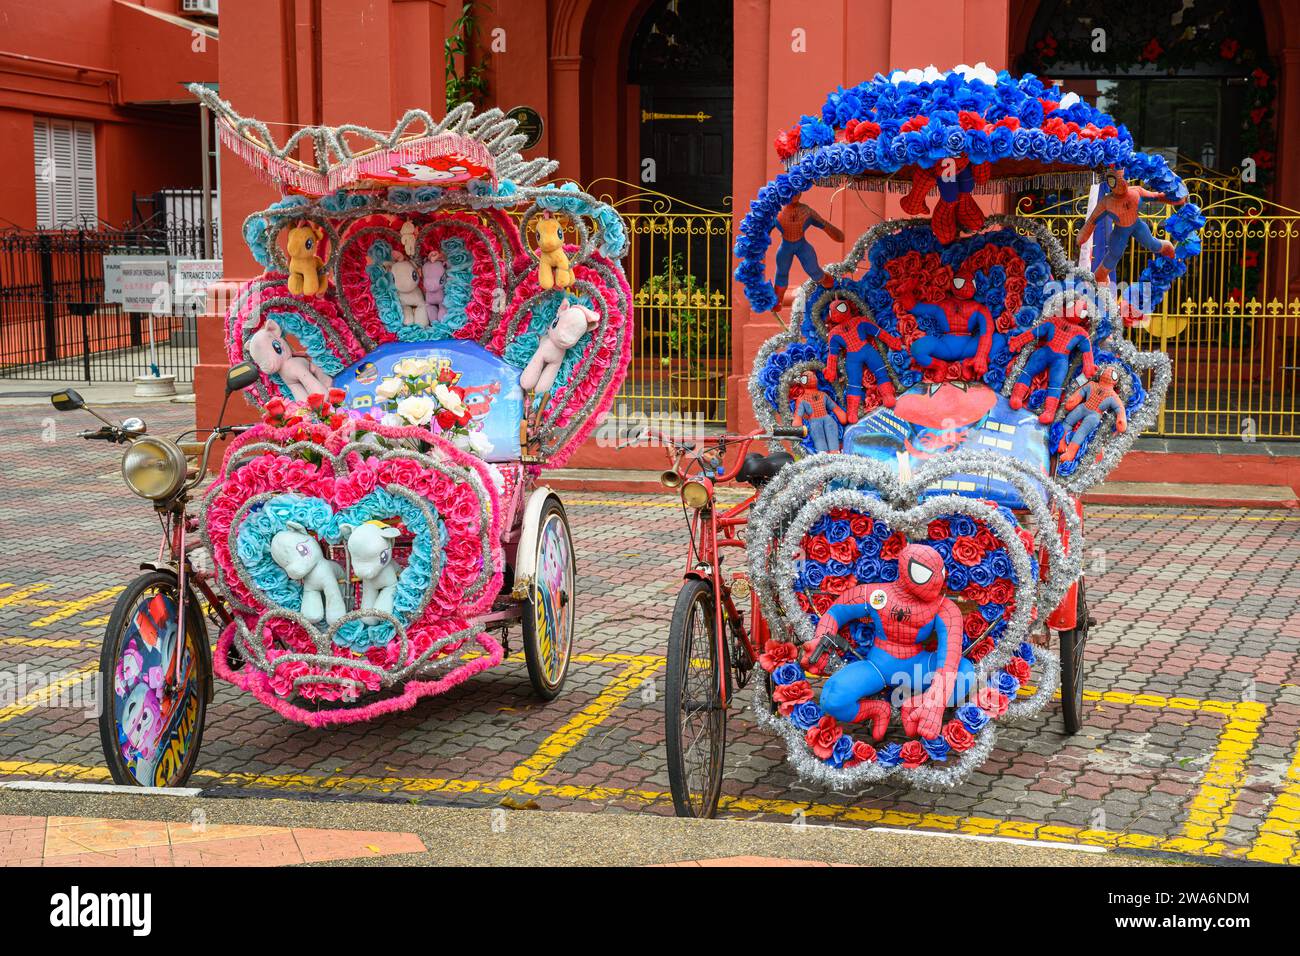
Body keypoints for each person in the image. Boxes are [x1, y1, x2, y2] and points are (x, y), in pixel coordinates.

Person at [769, 193, 844, 313]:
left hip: (802, 246)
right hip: (785, 247)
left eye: (797, 191)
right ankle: (777, 301)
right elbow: (763, 231)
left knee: (814, 271)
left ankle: (833, 290)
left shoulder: (806, 211)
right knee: (781, 273)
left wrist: (836, 234)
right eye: (790, 191)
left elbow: (823, 223)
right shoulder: (776, 212)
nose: (793, 195)